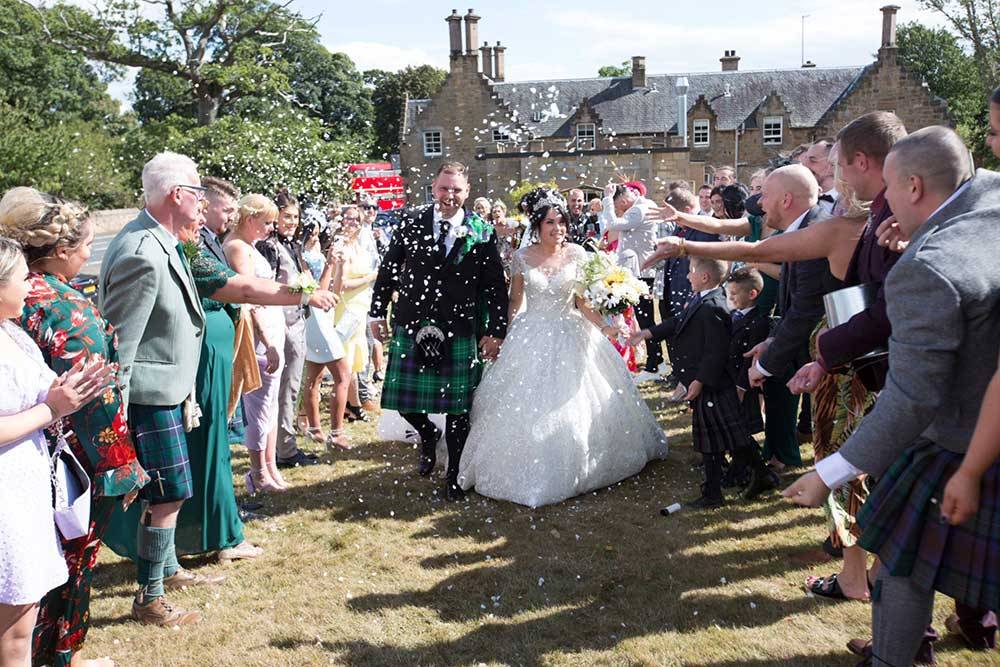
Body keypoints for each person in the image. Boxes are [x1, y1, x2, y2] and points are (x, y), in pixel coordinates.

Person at [784, 126, 1000, 666]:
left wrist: (828, 472)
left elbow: (912, 397)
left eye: (889, 193)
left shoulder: (924, 269)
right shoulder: (992, 192)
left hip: (961, 439)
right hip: (979, 421)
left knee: (902, 564)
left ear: (914, 187)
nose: (883, 210)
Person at [0, 190, 150, 667]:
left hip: (35, 453)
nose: (90, 253)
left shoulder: (21, 301)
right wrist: (121, 466)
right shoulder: (68, 308)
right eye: (85, 245)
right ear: (60, 250)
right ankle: (60, 655)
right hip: (71, 459)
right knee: (66, 567)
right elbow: (95, 396)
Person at [458, 188, 667, 507]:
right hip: (532, 331)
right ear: (538, 226)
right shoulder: (522, 257)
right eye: (550, 223)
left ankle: (583, 460)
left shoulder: (578, 255)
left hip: (573, 331)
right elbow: (514, 301)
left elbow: (582, 302)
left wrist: (606, 326)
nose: (558, 229)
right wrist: (502, 334)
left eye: (562, 223)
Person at [98, 151, 207, 627]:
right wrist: (115, 421)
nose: (203, 202)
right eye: (198, 192)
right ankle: (149, 597)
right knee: (168, 493)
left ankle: (165, 568)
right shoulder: (142, 251)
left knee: (170, 492)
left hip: (164, 390)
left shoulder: (161, 239)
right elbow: (120, 345)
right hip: (146, 395)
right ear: (176, 195)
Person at [0, 237, 116, 667]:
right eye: (19, 279)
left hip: (24, 483)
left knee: (24, 617)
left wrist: (67, 390)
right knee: (13, 628)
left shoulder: (10, 330)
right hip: (5, 494)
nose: (31, 286)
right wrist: (53, 407)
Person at [370, 161, 508, 501]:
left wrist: (496, 330)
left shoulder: (481, 229)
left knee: (458, 409)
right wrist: (375, 312)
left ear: (467, 191)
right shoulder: (411, 222)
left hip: (460, 325)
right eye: (444, 188)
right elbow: (388, 268)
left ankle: (453, 474)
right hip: (413, 321)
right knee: (404, 402)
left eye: (457, 189)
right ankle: (428, 434)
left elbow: (493, 285)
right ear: (433, 187)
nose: (449, 195)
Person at [630, 256, 769, 508]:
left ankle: (715, 493)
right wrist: (648, 333)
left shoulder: (714, 305)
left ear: (704, 277)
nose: (687, 276)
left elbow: (716, 351)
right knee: (727, 435)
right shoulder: (700, 300)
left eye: (691, 271)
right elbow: (678, 321)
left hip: (712, 382)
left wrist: (699, 381)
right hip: (705, 380)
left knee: (715, 440)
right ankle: (760, 475)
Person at [225, 194, 288, 493]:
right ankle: (257, 471)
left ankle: (270, 466)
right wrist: (267, 341)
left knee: (270, 405)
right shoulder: (237, 248)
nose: (270, 228)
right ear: (249, 219)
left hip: (273, 330)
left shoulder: (249, 246)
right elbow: (248, 300)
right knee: (259, 406)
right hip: (260, 338)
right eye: (266, 222)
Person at [600, 182, 661, 381]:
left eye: (618, 207)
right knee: (643, 318)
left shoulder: (639, 210)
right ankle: (654, 361)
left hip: (642, 273)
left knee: (645, 320)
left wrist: (607, 200)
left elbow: (612, 225)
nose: (618, 211)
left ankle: (655, 365)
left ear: (624, 201)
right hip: (637, 271)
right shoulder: (638, 207)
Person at [301, 221, 351, 450]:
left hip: (324, 316)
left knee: (315, 376)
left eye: (318, 234)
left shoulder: (317, 252)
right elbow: (316, 292)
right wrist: (330, 264)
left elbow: (335, 290)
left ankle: (314, 428)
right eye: (311, 233)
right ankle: (337, 434)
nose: (315, 237)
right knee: (342, 375)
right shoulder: (299, 255)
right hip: (313, 317)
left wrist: (339, 266)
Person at [724, 267, 772, 493]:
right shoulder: (733, 316)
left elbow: (749, 359)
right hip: (729, 381)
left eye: (734, 294)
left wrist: (741, 387)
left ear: (752, 294)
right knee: (733, 428)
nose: (730, 298)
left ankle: (757, 472)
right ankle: (739, 469)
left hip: (744, 386)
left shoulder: (759, 322)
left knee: (740, 429)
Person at [332, 205, 378, 424]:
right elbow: (342, 285)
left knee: (356, 358)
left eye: (356, 220)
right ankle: (349, 407)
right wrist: (370, 277)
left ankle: (354, 404)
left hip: (360, 308)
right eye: (347, 219)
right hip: (347, 308)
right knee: (346, 361)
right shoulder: (341, 246)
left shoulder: (358, 245)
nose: (351, 223)